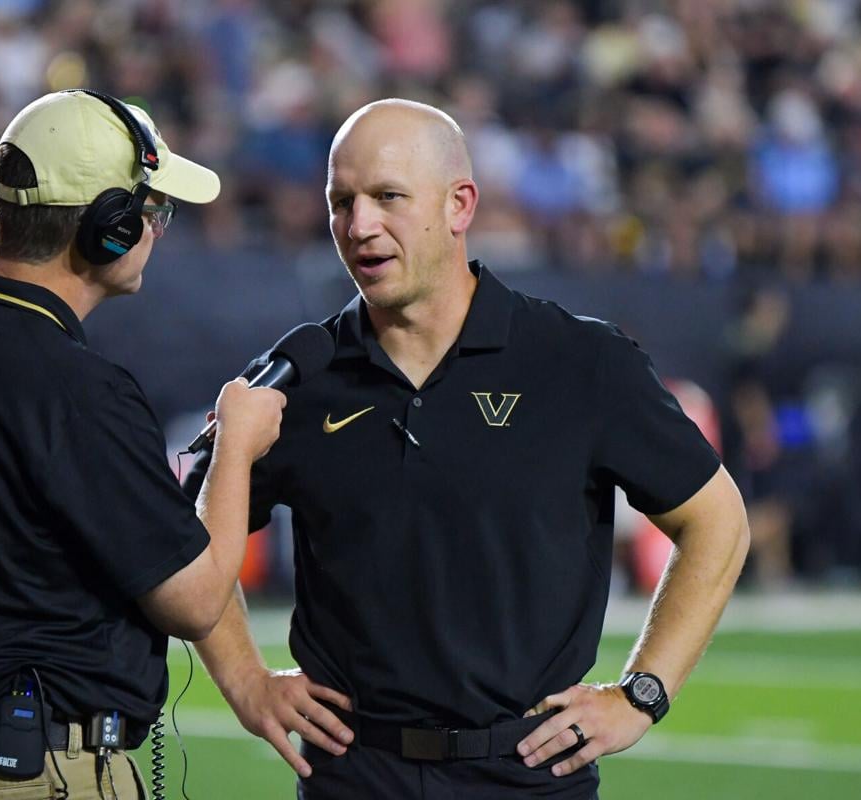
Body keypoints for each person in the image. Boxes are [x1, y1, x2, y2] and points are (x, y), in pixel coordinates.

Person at [183, 99, 750, 798]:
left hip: (529, 774)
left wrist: (643, 693)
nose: (359, 226)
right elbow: (183, 546)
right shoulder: (296, 377)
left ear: (460, 205)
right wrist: (243, 680)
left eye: (388, 197)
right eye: (341, 202)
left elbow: (717, 520)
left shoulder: (578, 360)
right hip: (354, 777)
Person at [0, 89, 286, 800]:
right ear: (109, 226)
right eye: (150, 211)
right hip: (20, 776)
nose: (156, 230)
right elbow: (196, 600)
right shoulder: (76, 389)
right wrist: (237, 444)